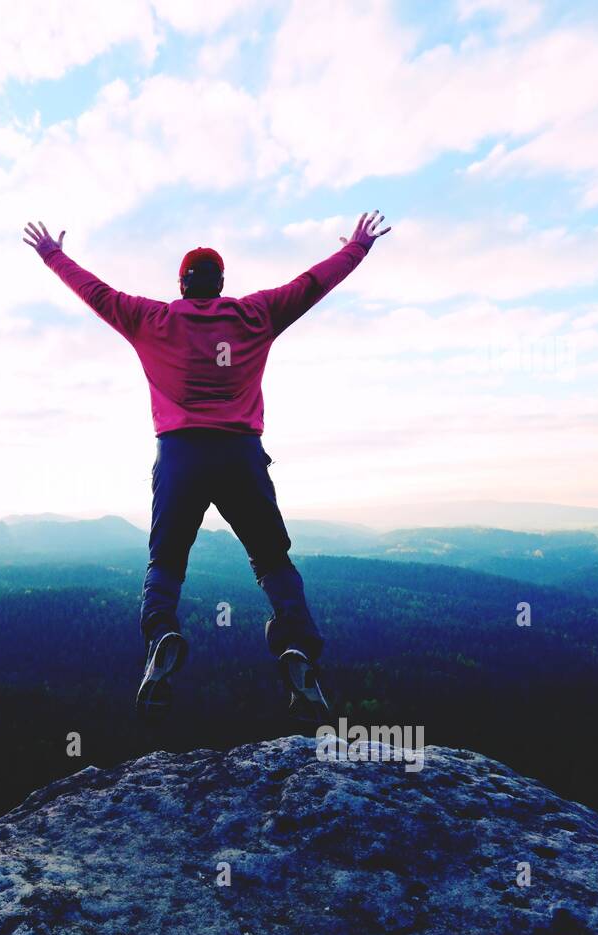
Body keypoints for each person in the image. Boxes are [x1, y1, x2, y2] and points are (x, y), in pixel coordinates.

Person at [22, 212, 390, 728]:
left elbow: (97, 293)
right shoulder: (255, 314)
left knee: (165, 560)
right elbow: (311, 285)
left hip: (180, 457)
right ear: (221, 285)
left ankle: (161, 638)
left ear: (181, 285)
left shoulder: (152, 319)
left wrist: (52, 255)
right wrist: (357, 247)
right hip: (241, 455)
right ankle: (299, 649)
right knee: (271, 559)